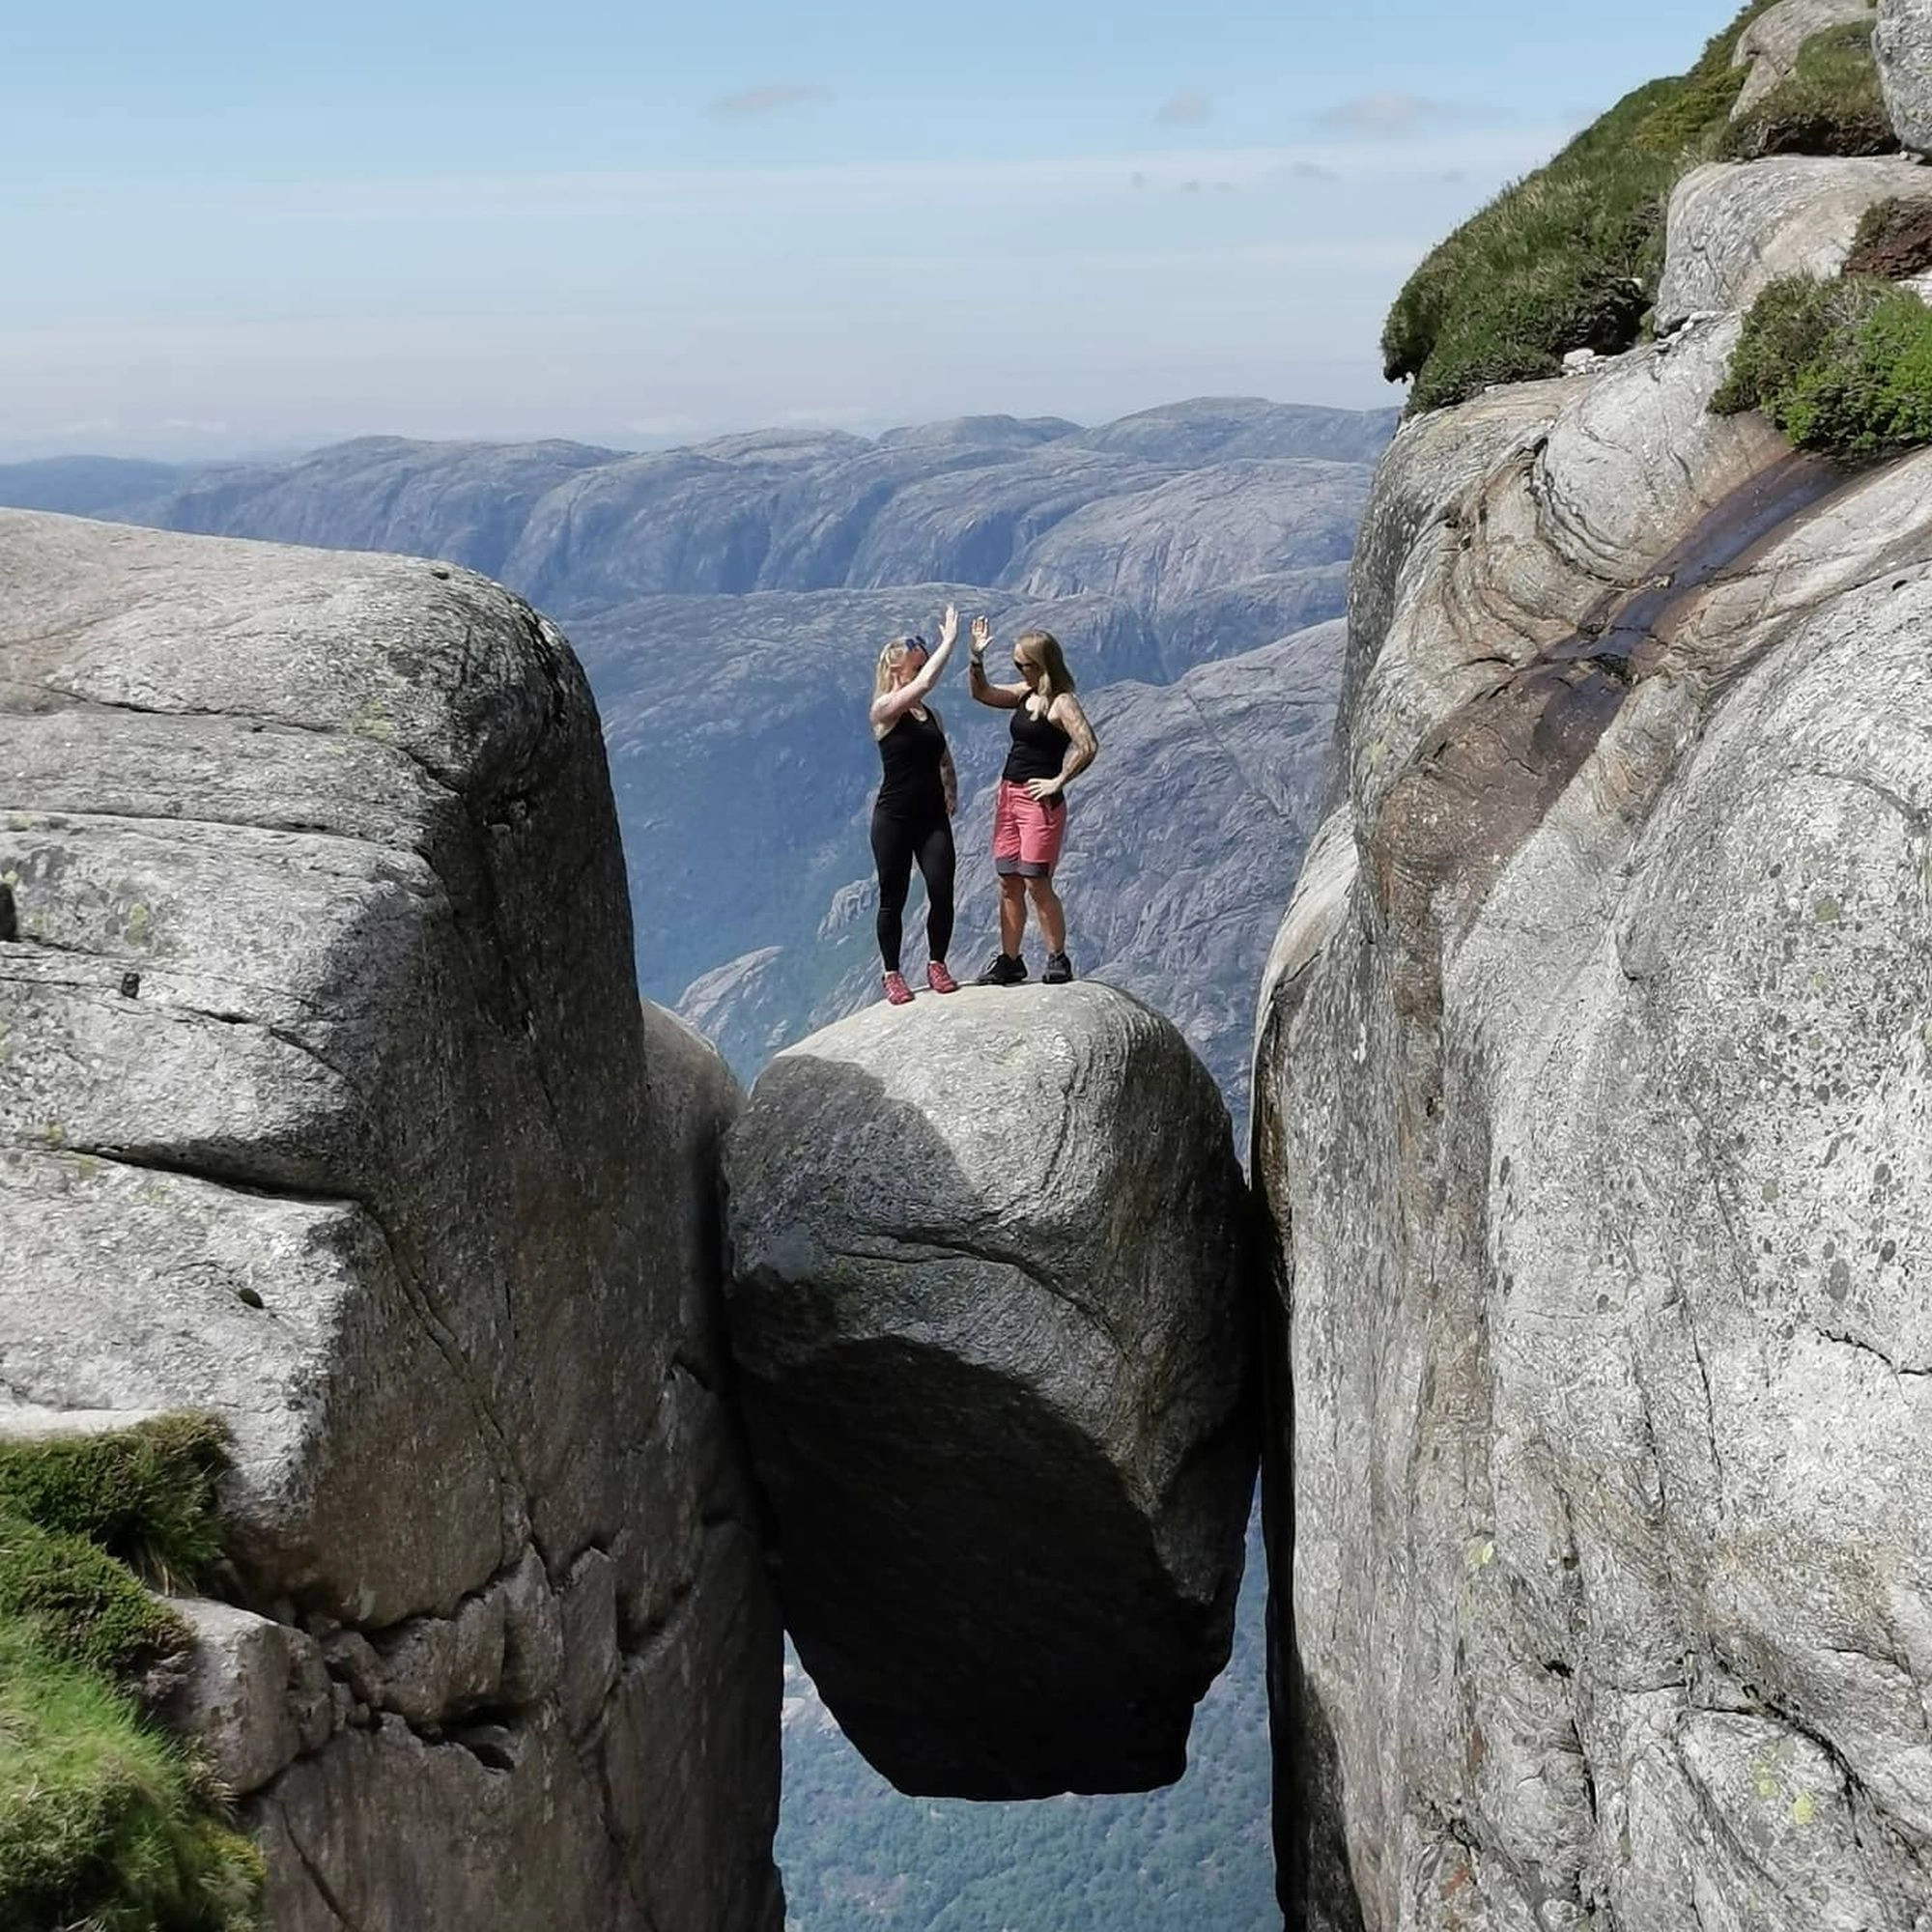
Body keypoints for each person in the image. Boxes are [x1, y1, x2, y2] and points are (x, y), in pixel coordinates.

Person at [966, 619, 1098, 985]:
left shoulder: (1061, 703)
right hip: (1009, 796)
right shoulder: (1026, 694)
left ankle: (1057, 958)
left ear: (1041, 664)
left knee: (1036, 881)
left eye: (1021, 664)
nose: (1018, 670)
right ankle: (1010, 960)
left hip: (1038, 801)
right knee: (1009, 880)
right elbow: (982, 693)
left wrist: (1059, 780)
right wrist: (976, 658)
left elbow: (1088, 745)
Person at [868, 606, 962, 1006]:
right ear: (896, 670)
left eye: (924, 664)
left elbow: (943, 756)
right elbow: (924, 684)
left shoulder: (931, 715)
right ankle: (892, 973)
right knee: (894, 897)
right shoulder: (884, 711)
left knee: (941, 889)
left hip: (931, 816)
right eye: (916, 666)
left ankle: (937, 963)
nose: (923, 672)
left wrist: (951, 791)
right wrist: (950, 642)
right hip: (894, 817)